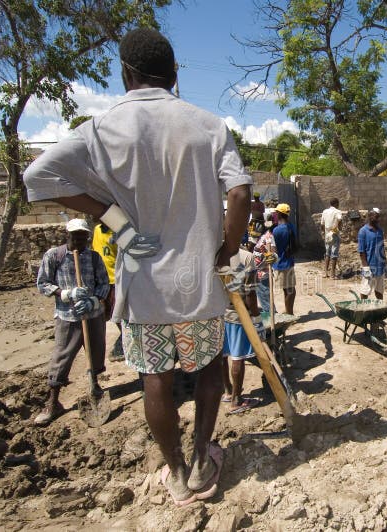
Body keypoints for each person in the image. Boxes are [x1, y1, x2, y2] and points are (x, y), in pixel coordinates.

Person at [23, 28, 252, 505]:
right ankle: (202, 462)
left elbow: (37, 176)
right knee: (209, 367)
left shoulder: (102, 129)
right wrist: (227, 250)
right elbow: (239, 193)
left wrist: (113, 217)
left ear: (124, 73)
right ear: (174, 74)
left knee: (156, 380)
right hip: (198, 284)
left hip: (144, 287)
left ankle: (175, 473)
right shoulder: (207, 125)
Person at [35, 219, 110, 425]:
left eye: (83, 237)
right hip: (68, 316)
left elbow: (104, 283)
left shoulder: (94, 258)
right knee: (62, 356)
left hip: (93, 314)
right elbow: (42, 284)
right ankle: (52, 402)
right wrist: (66, 294)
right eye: (75, 236)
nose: (79, 240)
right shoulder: (54, 256)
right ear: (66, 236)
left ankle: (95, 386)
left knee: (95, 353)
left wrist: (94, 300)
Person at [221, 247, 263, 414]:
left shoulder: (214, 254)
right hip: (238, 316)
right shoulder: (246, 257)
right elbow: (250, 295)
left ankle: (228, 391)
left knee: (223, 356)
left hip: (218, 313)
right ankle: (236, 401)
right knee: (238, 357)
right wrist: (257, 319)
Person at [92, 222, 124, 362]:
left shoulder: (118, 230)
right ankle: (122, 339)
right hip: (101, 279)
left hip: (115, 279)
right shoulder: (97, 230)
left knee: (118, 314)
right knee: (109, 314)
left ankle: (123, 341)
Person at [357, 208, 387, 300]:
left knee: (379, 290)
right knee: (365, 290)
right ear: (370, 217)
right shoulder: (363, 231)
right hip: (369, 265)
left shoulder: (380, 231)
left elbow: (382, 248)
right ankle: (363, 308)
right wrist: (365, 267)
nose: (378, 219)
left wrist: (386, 263)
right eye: (376, 217)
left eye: (378, 217)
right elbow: (362, 251)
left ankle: (380, 308)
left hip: (380, 265)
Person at [272, 203, 297, 315]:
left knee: (289, 290)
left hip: (281, 263)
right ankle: (288, 311)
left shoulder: (277, 230)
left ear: (279, 214)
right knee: (289, 289)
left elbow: (274, 249)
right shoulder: (291, 226)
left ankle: (289, 313)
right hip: (289, 262)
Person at [253, 213, 277, 313]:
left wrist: (272, 256)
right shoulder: (261, 236)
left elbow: (274, 254)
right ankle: (272, 317)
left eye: (257, 224)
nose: (254, 227)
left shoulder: (268, 238)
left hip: (263, 273)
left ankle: (272, 322)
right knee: (265, 299)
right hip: (259, 272)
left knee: (266, 300)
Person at [320, 198, 342, 278]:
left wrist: (324, 232)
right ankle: (332, 273)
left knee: (327, 253)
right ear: (336, 204)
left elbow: (322, 224)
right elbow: (340, 219)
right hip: (334, 234)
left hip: (327, 234)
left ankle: (325, 272)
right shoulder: (337, 211)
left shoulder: (325, 211)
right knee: (334, 254)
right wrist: (339, 227)